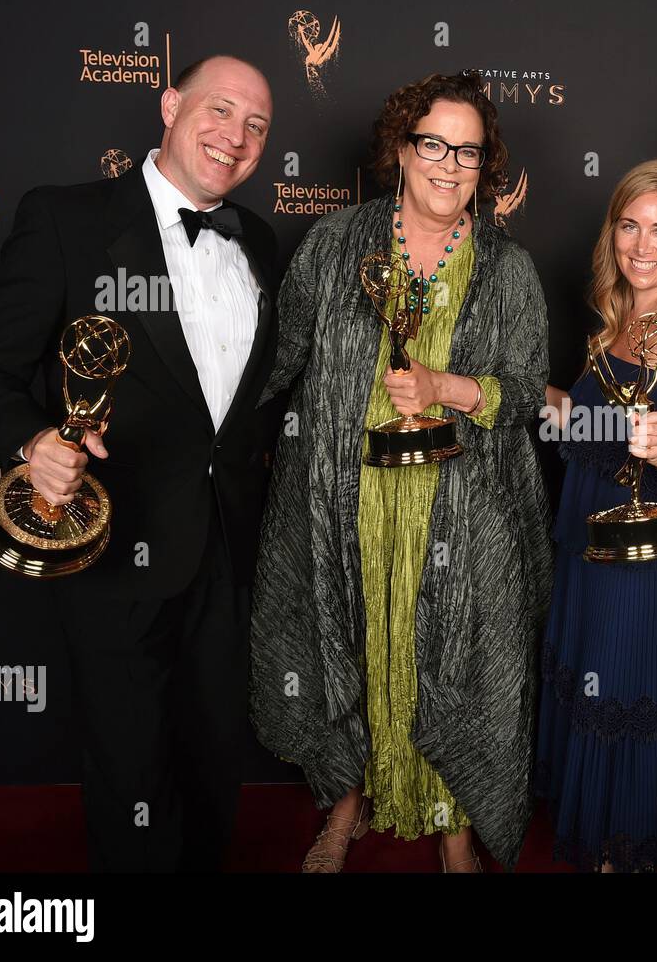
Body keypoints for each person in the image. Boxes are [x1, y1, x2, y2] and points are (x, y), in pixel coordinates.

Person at [0, 56, 280, 871]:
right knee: (132, 777)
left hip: (230, 554)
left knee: (213, 767)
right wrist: (33, 444)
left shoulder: (261, 241)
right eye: (219, 109)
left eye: (258, 125)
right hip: (115, 555)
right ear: (170, 104)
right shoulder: (66, 219)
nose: (235, 137)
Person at [249, 72, 552, 873]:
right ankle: (345, 808)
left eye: (469, 151)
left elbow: (524, 389)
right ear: (401, 149)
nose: (449, 165)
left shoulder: (506, 267)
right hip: (346, 495)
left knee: (449, 661)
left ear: (486, 166)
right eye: (433, 145)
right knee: (350, 643)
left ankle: (454, 824)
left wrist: (444, 389)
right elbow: (276, 363)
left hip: (459, 505)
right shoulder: (337, 241)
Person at [535, 160, 657, 872]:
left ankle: (627, 855)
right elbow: (587, 424)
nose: (642, 246)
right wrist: (513, 389)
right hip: (588, 541)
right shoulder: (617, 321)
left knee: (626, 698)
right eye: (628, 225)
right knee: (588, 692)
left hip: (648, 566)